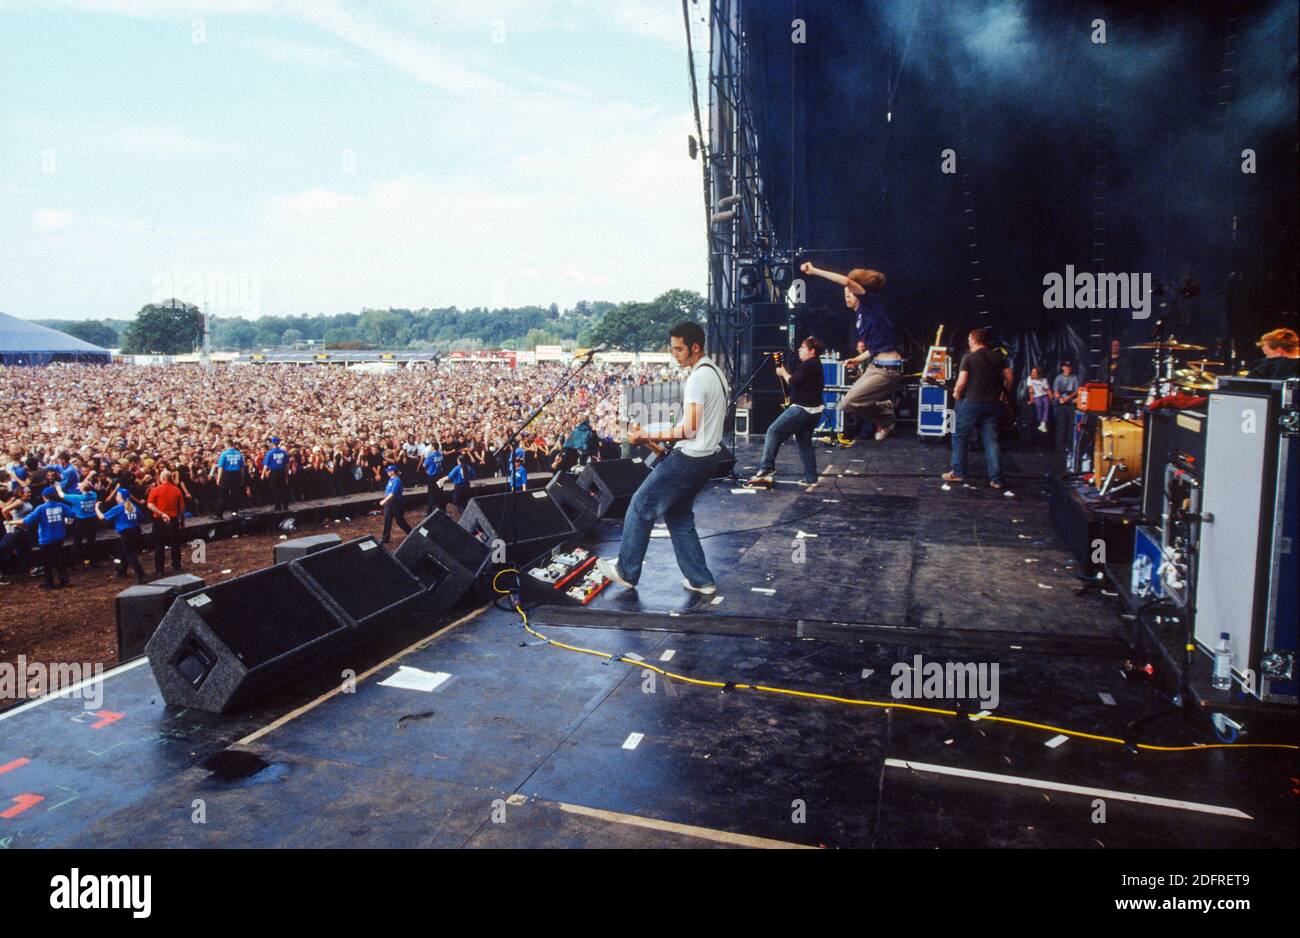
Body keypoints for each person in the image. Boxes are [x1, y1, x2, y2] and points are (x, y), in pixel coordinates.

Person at [597, 321, 727, 596]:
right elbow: (697, 429)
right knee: (678, 516)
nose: (674, 355)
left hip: (689, 459)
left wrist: (646, 435)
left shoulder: (697, 379)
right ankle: (701, 579)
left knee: (640, 506)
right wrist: (652, 437)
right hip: (707, 459)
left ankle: (626, 572)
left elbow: (689, 430)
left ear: (695, 347)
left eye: (679, 349)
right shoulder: (716, 373)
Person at [799, 262, 902, 442]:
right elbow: (875, 346)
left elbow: (846, 281)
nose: (846, 295)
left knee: (848, 402)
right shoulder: (861, 315)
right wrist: (857, 358)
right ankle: (884, 407)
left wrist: (814, 271)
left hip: (889, 370)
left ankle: (886, 418)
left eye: (850, 293)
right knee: (850, 404)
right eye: (845, 294)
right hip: (875, 366)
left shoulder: (870, 303)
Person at [748, 336, 825, 486]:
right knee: (804, 443)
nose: (799, 350)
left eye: (803, 348)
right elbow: (800, 385)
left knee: (773, 431)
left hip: (803, 410)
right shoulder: (815, 365)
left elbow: (793, 381)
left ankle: (766, 468)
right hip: (814, 412)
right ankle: (811, 478)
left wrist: (782, 371)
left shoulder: (810, 364)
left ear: (812, 351)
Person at [942, 328, 1014, 489]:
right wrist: (1005, 394)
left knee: (959, 436)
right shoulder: (998, 357)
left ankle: (958, 473)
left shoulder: (968, 358)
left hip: (971, 403)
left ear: (974, 340)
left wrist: (956, 393)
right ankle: (996, 479)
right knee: (991, 440)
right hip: (993, 404)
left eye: (969, 339)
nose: (968, 342)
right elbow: (1010, 377)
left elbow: (961, 382)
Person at [23, 486, 75, 589]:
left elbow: (28, 521)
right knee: (58, 560)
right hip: (59, 537)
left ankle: (49, 583)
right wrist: (67, 523)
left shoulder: (41, 508)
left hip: (46, 539)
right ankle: (64, 580)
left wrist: (12, 522)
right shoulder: (62, 506)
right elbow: (72, 514)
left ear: (44, 496)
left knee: (46, 562)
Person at [96, 486, 148, 582]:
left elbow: (102, 517)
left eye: (117, 495)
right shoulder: (132, 505)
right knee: (124, 551)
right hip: (136, 529)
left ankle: (141, 575)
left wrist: (96, 507)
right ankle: (122, 571)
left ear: (120, 496)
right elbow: (141, 517)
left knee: (130, 554)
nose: (116, 496)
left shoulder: (119, 507)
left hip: (126, 531)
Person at [146, 469, 186, 575]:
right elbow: (181, 509)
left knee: (159, 544)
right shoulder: (177, 490)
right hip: (173, 519)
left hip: (159, 519)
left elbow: (150, 505)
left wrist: (161, 513)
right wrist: (182, 522)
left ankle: (160, 569)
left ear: (162, 478)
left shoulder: (155, 490)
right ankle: (176, 565)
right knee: (175, 543)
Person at [56, 478, 99, 567]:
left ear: (81, 489)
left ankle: (73, 562)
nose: (77, 486)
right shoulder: (94, 495)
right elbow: (89, 489)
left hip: (81, 521)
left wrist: (58, 487)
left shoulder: (76, 498)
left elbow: (61, 495)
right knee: (91, 540)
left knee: (77, 541)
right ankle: (92, 561)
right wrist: (83, 486)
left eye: (79, 486)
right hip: (92, 520)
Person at [379, 464, 412, 544]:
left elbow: (393, 493)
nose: (387, 472)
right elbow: (388, 491)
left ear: (393, 472)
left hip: (396, 503)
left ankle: (411, 533)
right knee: (387, 520)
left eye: (389, 471)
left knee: (399, 520)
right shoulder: (391, 479)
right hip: (389, 503)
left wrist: (384, 500)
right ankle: (385, 538)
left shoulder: (397, 480)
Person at [213, 439, 246, 519]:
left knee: (222, 495)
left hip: (227, 475)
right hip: (236, 475)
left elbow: (220, 467)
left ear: (226, 445)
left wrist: (219, 478)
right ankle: (234, 512)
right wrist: (241, 477)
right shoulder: (239, 454)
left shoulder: (224, 454)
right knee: (235, 495)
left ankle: (219, 514)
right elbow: (242, 467)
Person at [1052, 362, 1080, 454]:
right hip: (1061, 404)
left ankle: (1070, 446)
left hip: (1071, 403)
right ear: (1062, 367)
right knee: (1061, 425)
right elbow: (1056, 392)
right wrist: (1061, 399)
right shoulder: (1058, 378)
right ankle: (1059, 447)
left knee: (1071, 425)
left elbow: (1076, 391)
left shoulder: (1074, 378)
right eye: (1066, 366)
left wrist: (1067, 398)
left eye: (1069, 367)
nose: (1068, 368)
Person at [261, 436, 290, 511]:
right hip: (282, 471)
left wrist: (263, 474)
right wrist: (286, 475)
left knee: (275, 489)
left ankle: (278, 506)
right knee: (283, 489)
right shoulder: (283, 452)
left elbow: (266, 465)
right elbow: (287, 465)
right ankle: (285, 505)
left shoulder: (269, 453)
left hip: (273, 472)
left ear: (272, 443)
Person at [1026, 366, 1051, 433]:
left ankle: (1043, 423)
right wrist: (1031, 399)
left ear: (1039, 374)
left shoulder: (1044, 380)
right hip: (1036, 396)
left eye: (1034, 372)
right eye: (1032, 372)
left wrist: (1051, 398)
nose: (1032, 374)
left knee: (1046, 403)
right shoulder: (1029, 379)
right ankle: (1039, 420)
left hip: (1044, 395)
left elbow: (1048, 390)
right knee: (1039, 404)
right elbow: (1031, 390)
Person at [422, 441, 445, 513]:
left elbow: (424, 465)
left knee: (431, 493)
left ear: (433, 447)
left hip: (432, 476)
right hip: (439, 475)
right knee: (440, 491)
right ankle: (443, 509)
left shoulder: (430, 455)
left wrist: (427, 470)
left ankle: (429, 511)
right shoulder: (441, 455)